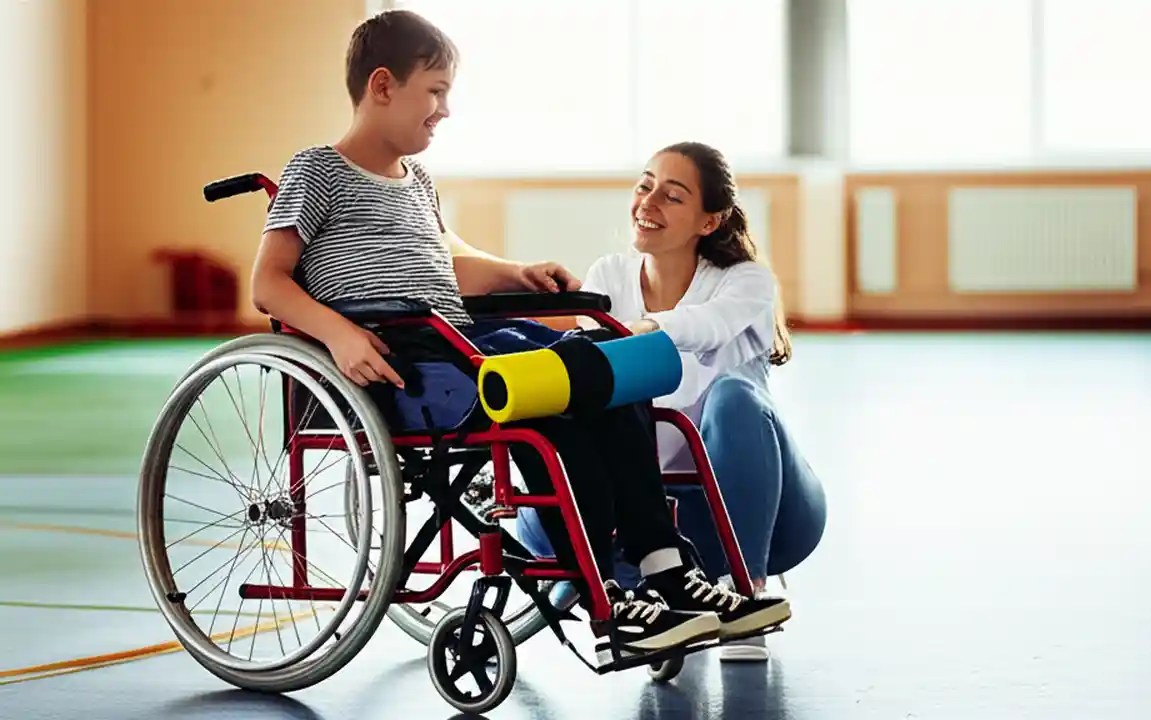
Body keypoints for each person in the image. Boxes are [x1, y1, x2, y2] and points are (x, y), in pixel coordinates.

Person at [248, 11, 788, 665]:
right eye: (437, 91)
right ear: (384, 86)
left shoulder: (416, 182)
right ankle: (610, 601)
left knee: (610, 375)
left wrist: (513, 272)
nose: (445, 110)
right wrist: (339, 336)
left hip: (461, 340)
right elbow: (269, 282)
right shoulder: (316, 171)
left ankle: (665, 567)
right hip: (401, 357)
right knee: (558, 399)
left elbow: (442, 263)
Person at [516, 141, 827, 662]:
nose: (648, 202)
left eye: (672, 195)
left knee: (733, 396)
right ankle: (635, 579)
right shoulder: (610, 275)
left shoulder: (745, 281)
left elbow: (706, 328)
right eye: (644, 185)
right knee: (588, 392)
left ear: (709, 221)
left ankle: (746, 587)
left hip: (757, 515)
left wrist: (638, 331)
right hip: (648, 514)